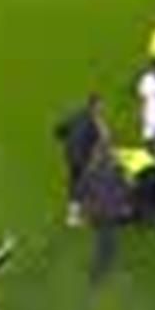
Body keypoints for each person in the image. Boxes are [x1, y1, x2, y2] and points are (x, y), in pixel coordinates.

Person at [54, 93, 106, 227]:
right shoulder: (94, 123)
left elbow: (59, 130)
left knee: (76, 181)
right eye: (100, 106)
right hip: (81, 157)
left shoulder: (77, 116)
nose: (102, 109)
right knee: (83, 183)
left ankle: (76, 211)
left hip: (70, 154)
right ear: (94, 106)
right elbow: (101, 141)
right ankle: (77, 215)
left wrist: (67, 142)